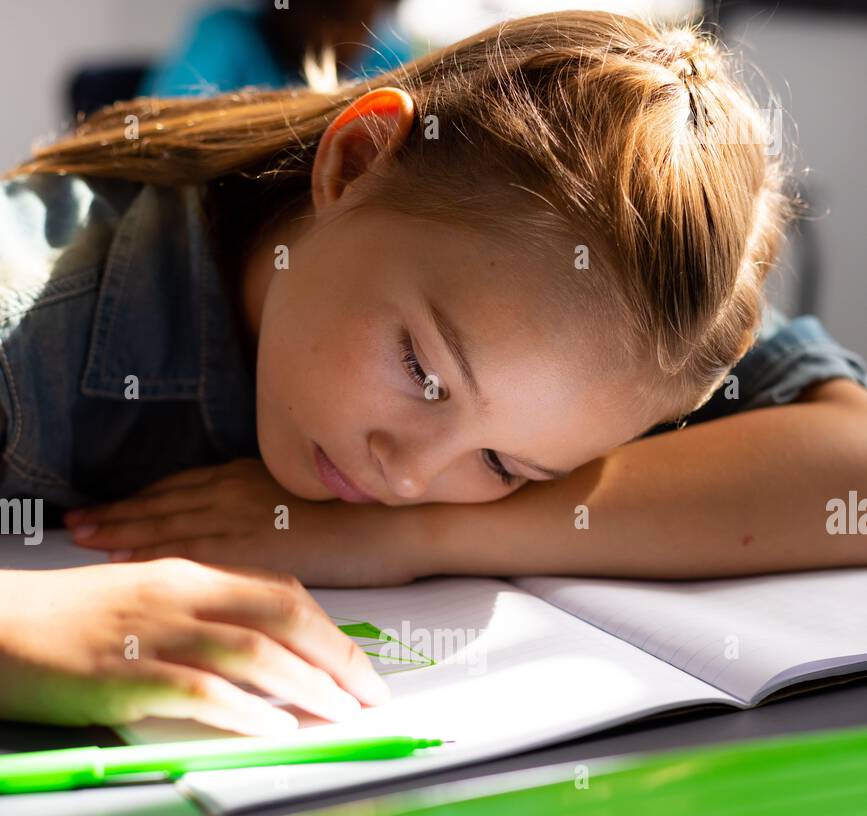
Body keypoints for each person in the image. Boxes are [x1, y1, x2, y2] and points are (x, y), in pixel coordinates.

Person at [1, 11, 865, 734]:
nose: (409, 474)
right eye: (421, 372)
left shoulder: (603, 333)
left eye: (506, 467)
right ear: (353, 163)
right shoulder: (26, 311)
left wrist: (406, 539)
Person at [140, 1, 411, 95]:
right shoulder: (227, 35)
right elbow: (166, 121)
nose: (332, 34)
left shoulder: (391, 58)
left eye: (349, 19)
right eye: (320, 10)